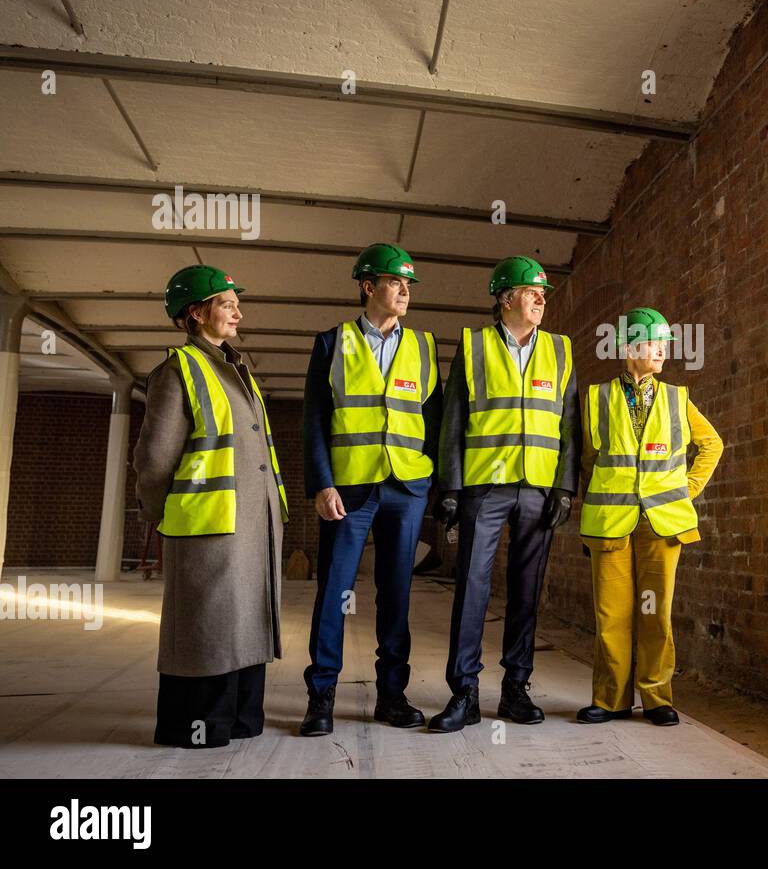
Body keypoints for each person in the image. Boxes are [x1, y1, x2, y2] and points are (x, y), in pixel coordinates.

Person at [134, 265, 290, 749]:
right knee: (207, 629)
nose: (238, 312)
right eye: (227, 303)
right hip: (207, 524)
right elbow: (154, 459)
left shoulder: (238, 369)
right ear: (197, 314)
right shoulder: (177, 370)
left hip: (251, 522)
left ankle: (240, 720)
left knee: (243, 621)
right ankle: (199, 729)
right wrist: (158, 515)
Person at [428, 256, 580, 732]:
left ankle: (516, 689)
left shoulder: (560, 349)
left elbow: (569, 424)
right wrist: (450, 486)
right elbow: (452, 418)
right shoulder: (473, 345)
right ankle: (465, 694)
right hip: (484, 487)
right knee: (472, 587)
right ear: (504, 297)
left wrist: (565, 485)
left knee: (527, 591)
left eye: (542, 293)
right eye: (531, 291)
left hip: (537, 487)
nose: (540, 299)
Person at [299, 243, 442, 736]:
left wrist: (433, 485)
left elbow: (434, 420)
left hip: (405, 488)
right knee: (335, 592)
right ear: (368, 287)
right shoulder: (331, 342)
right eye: (395, 282)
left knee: (396, 595)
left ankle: (392, 696)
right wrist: (321, 483)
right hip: (350, 491)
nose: (405, 290)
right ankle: (320, 697)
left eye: (408, 284)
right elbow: (315, 420)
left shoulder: (423, 347)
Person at [577, 308, 723, 726]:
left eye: (663, 344)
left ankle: (658, 698)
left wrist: (686, 491)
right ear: (627, 348)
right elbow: (588, 460)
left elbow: (712, 445)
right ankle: (610, 700)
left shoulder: (678, 398)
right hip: (610, 523)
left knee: (655, 613)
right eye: (651, 343)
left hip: (662, 524)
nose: (660, 351)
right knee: (611, 616)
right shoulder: (596, 398)